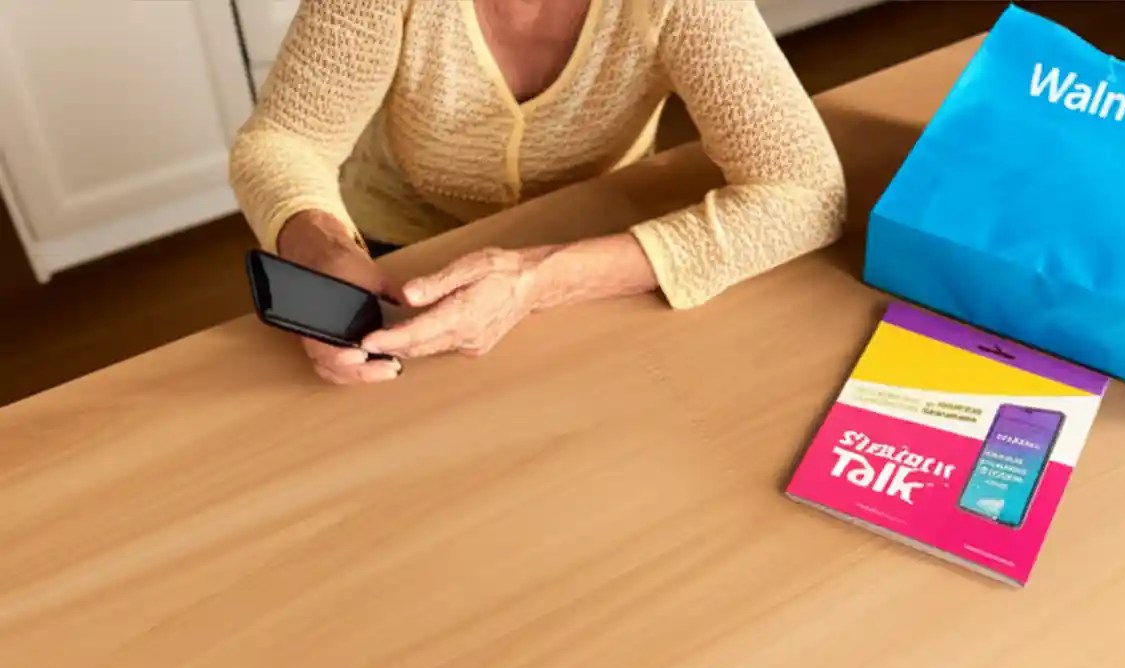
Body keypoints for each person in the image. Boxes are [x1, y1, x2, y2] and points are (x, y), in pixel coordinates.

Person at [230, 0, 847, 385]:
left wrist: (541, 279)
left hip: (596, 251)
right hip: (399, 256)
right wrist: (323, 252)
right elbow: (283, 141)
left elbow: (805, 190)